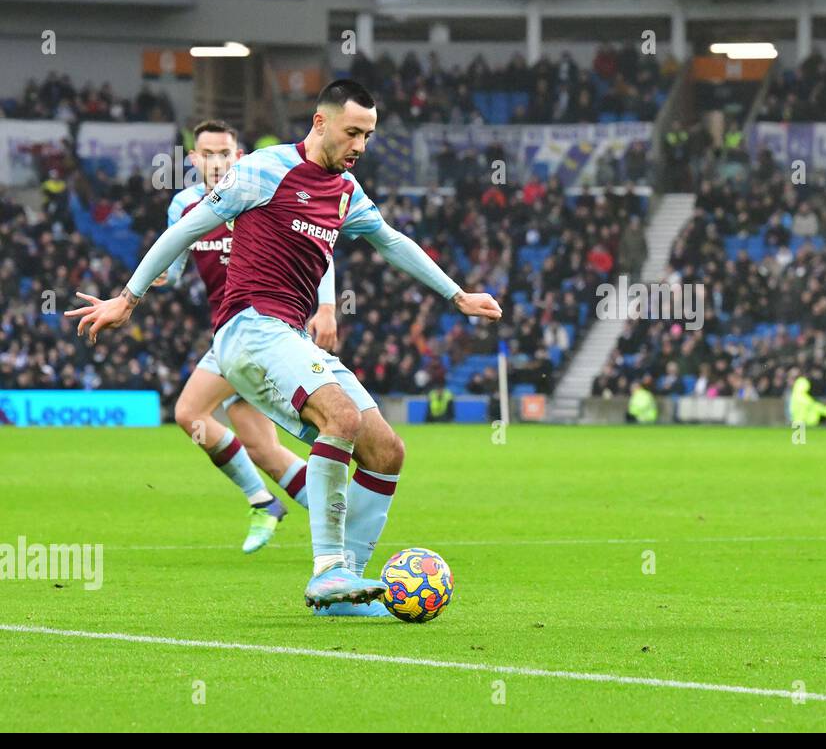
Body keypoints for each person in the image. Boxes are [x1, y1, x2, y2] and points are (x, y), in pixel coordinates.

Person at [66, 80, 502, 616]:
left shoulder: (346, 190)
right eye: (352, 133)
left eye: (368, 135)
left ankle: (346, 588)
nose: (360, 146)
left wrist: (456, 295)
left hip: (288, 334)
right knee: (336, 417)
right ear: (320, 123)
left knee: (386, 451)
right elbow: (184, 230)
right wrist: (127, 299)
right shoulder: (262, 170)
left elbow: (391, 240)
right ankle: (326, 570)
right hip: (248, 328)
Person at [155, 120, 339, 553]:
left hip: (260, 328)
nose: (217, 162)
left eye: (225, 153)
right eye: (208, 153)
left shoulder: (260, 192)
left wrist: (327, 306)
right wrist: (149, 283)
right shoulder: (184, 205)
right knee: (263, 450)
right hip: (230, 333)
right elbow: (174, 268)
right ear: (194, 159)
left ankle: (262, 502)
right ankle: (336, 522)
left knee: (189, 413)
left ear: (239, 156)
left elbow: (319, 242)